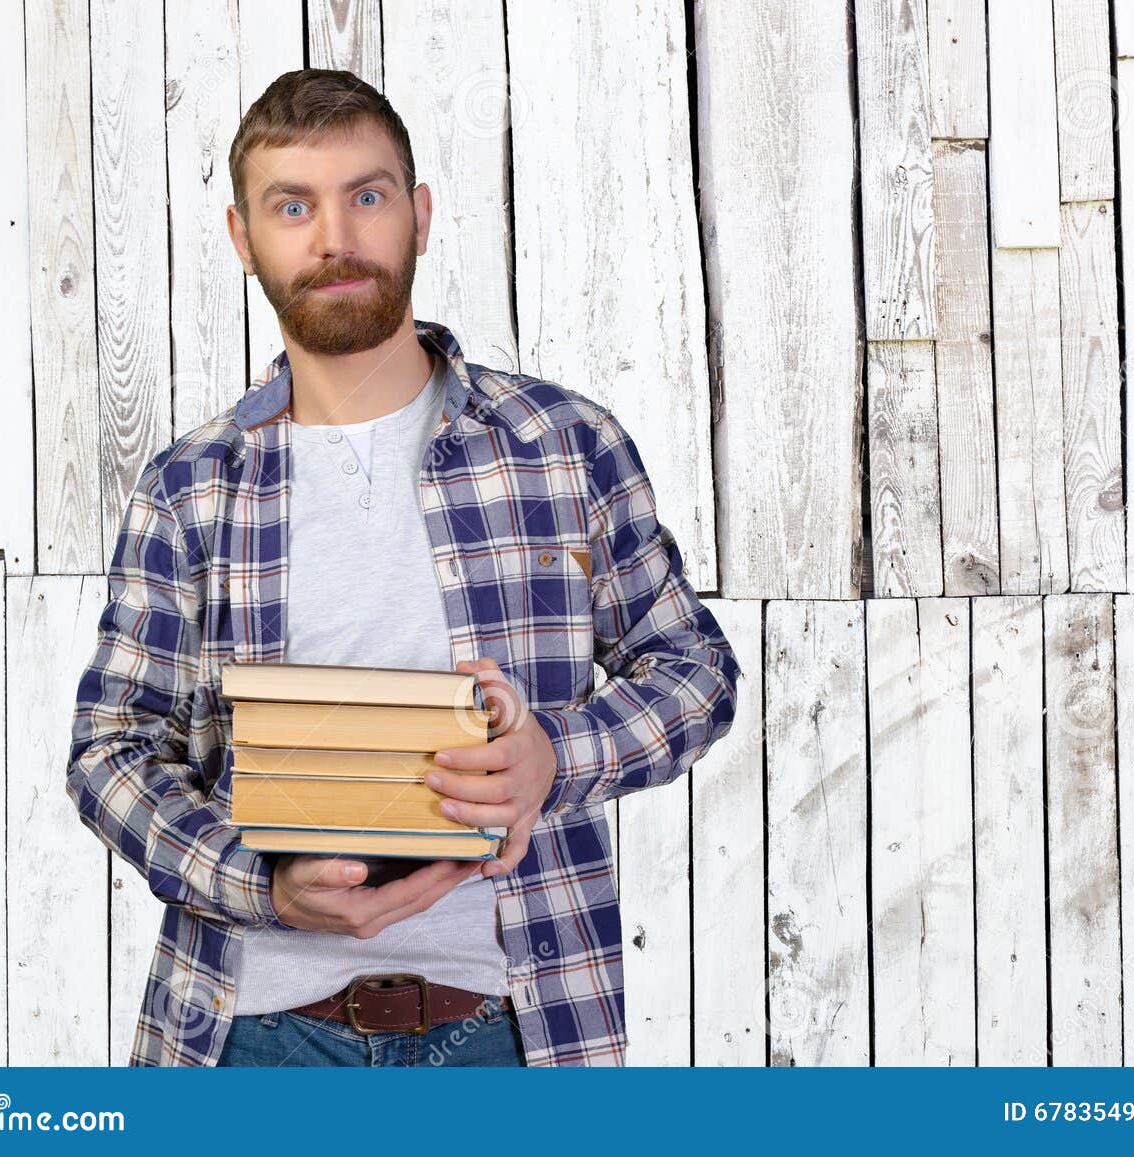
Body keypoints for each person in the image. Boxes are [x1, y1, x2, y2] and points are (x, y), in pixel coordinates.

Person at [65, 67, 740, 1068]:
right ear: (242, 238)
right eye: (293, 206)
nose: (333, 238)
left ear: (418, 215)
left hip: (519, 1032)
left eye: (366, 196)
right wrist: (259, 879)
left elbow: (695, 671)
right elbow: (110, 748)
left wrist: (556, 754)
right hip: (252, 1038)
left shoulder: (565, 445)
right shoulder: (189, 488)